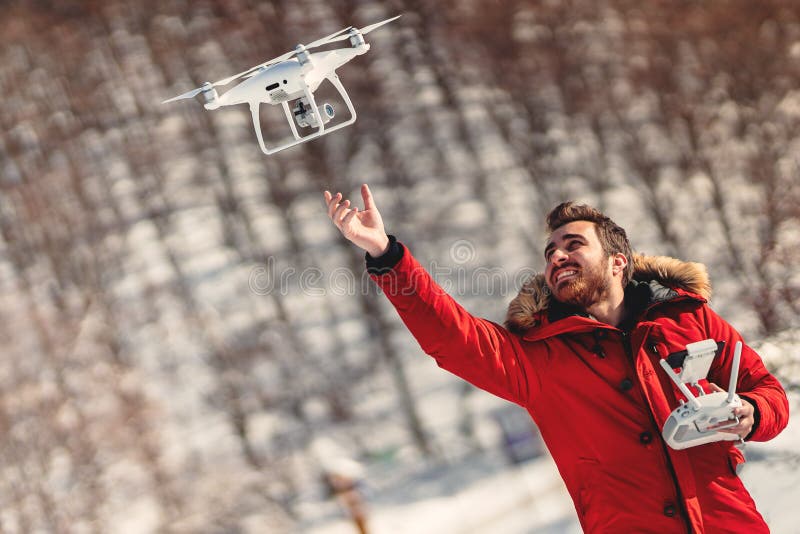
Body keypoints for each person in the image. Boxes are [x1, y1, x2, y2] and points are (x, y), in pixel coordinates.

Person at [323, 185, 789, 533]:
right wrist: (387, 256)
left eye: (573, 245)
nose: (558, 257)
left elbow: (767, 392)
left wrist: (751, 413)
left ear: (617, 261)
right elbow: (453, 337)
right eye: (550, 252)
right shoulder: (539, 360)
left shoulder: (688, 318)